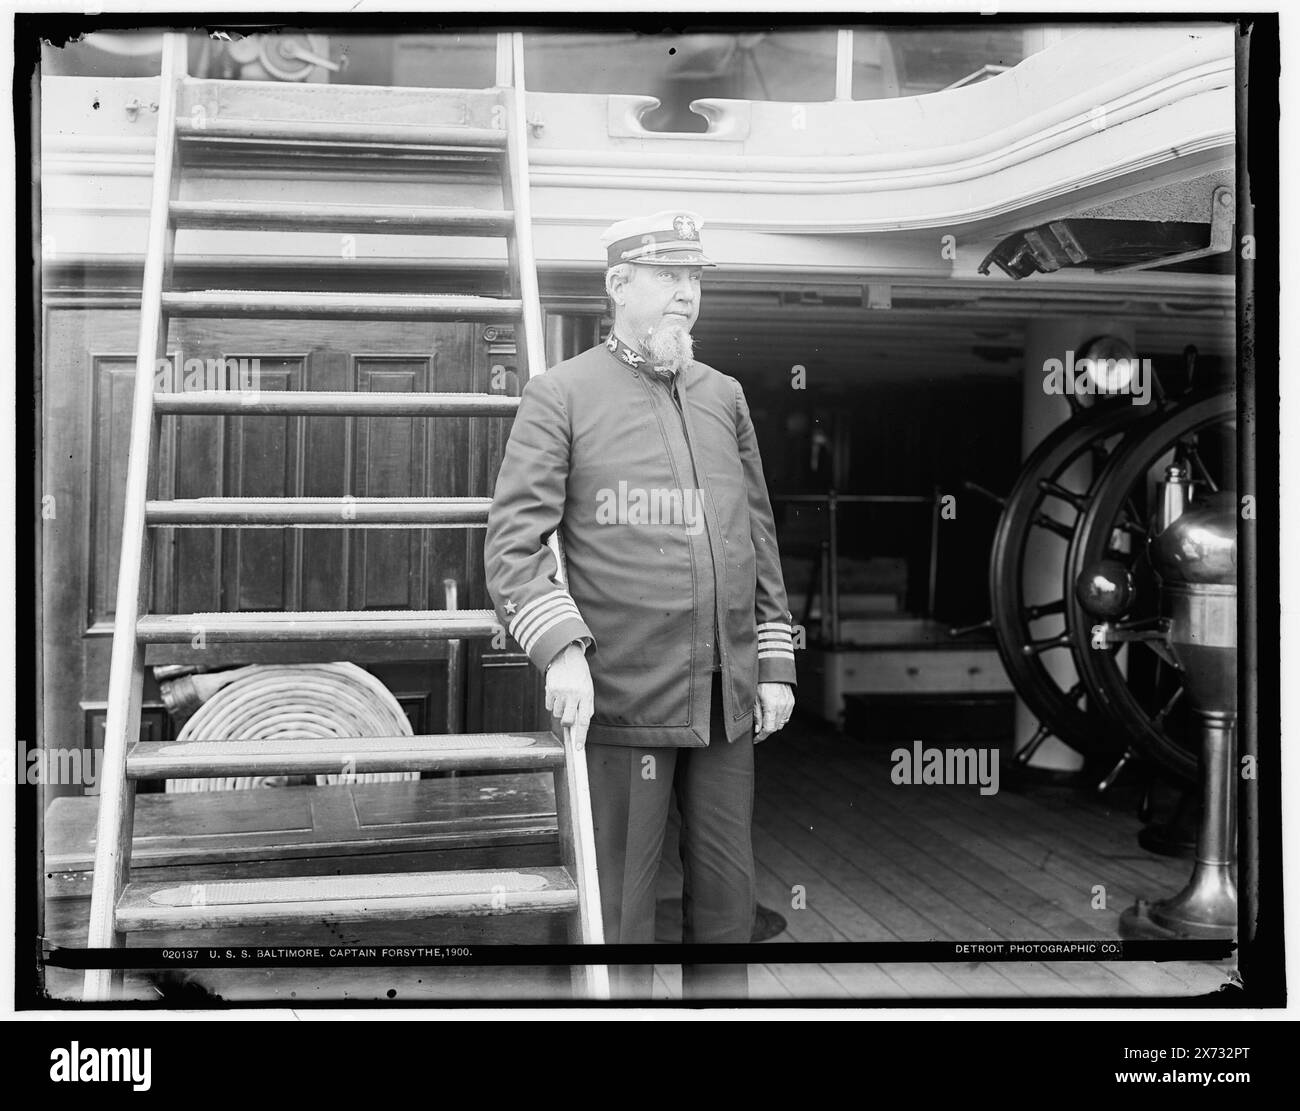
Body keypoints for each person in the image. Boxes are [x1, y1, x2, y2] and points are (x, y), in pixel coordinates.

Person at [483, 210, 796, 1000]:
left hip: (725, 700)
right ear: (619, 285)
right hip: (624, 698)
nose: (687, 296)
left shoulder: (723, 395)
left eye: (694, 280)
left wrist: (773, 663)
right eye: (669, 278)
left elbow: (755, 536)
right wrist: (561, 650)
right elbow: (513, 548)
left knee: (727, 903)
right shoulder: (561, 393)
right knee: (620, 912)